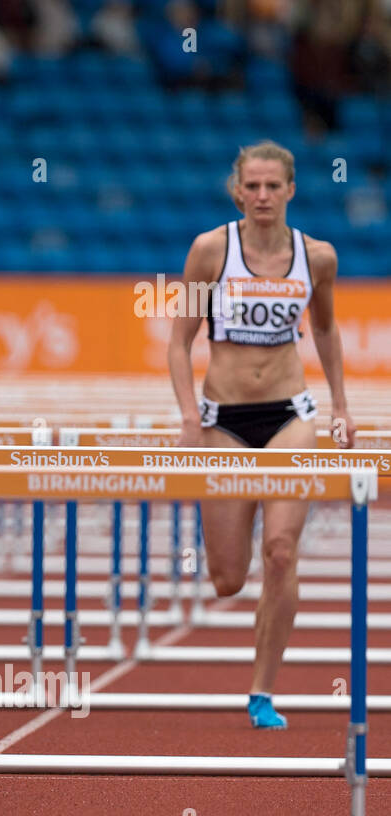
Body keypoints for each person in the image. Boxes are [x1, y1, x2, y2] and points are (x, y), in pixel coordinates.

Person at [168, 141, 354, 730]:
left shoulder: (316, 257)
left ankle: (261, 691)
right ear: (238, 189)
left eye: (274, 186)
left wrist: (340, 408)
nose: (263, 196)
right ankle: (254, 668)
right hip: (224, 418)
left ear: (292, 190)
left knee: (280, 552)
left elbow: (324, 330)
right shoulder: (210, 250)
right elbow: (178, 342)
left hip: (290, 416)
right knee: (227, 578)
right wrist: (189, 418)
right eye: (253, 186)